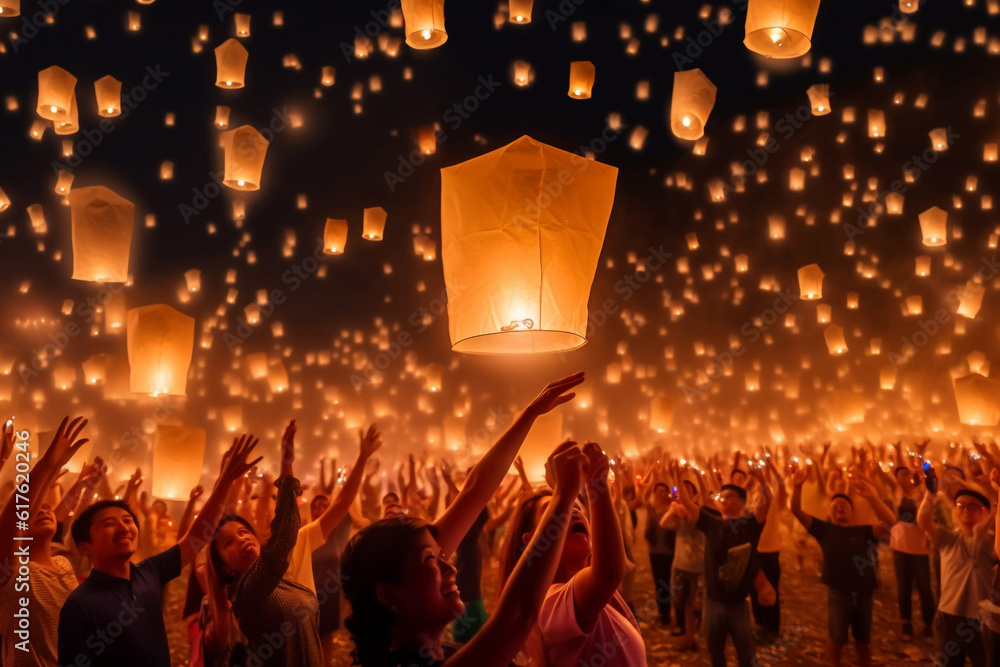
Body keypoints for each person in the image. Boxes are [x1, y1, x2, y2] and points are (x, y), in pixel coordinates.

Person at [340, 371, 585, 667]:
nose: (450, 565)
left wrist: (530, 414)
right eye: (431, 559)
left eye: (440, 555)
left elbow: (474, 491)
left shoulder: (433, 649)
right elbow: (517, 617)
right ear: (389, 593)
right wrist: (563, 496)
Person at [57, 433, 261, 667]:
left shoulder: (149, 573)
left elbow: (197, 537)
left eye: (127, 520)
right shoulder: (80, 604)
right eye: (109, 524)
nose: (124, 527)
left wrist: (226, 480)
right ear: (85, 547)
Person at [207, 420, 382, 666]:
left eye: (244, 533)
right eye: (229, 543)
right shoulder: (249, 588)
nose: (242, 538)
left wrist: (362, 458)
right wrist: (280, 468)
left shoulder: (297, 541)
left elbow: (341, 502)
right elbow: (230, 522)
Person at [500, 441, 646, 667]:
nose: (575, 510)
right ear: (533, 542)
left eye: (576, 506)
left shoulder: (585, 587)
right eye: (555, 510)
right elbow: (608, 573)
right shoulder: (549, 604)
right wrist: (596, 482)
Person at [0, 417, 88, 667]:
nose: (47, 507)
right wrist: (47, 464)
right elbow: (13, 519)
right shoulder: (12, 573)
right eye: (34, 509)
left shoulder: (64, 566)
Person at [790, 469, 896, 667]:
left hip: (865, 593)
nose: (840, 507)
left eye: (845, 504)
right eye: (836, 505)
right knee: (836, 638)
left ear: (851, 511)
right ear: (830, 513)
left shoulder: (865, 531)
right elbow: (796, 510)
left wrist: (872, 497)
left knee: (863, 641)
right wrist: (797, 487)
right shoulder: (824, 530)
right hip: (838, 593)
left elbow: (891, 522)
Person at [675, 462, 772, 667]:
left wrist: (761, 478)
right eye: (723, 496)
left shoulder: (751, 526)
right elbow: (687, 503)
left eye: (730, 497)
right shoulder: (712, 523)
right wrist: (677, 477)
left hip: (739, 604)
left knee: (746, 653)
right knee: (716, 652)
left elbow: (767, 500)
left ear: (742, 502)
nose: (725, 500)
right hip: (713, 601)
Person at [918, 468, 995, 667]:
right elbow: (923, 521)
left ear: (984, 514)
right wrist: (930, 495)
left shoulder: (992, 542)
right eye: (961, 505)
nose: (966, 510)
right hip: (949, 617)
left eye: (974, 507)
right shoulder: (948, 538)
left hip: (981, 620)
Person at [660, 474, 706, 651]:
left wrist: (679, 508)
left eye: (688, 491)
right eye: (681, 491)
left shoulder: (700, 510)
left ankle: (699, 633)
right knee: (685, 603)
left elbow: (691, 516)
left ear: (694, 494)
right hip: (681, 564)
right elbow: (664, 524)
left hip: (698, 566)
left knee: (698, 604)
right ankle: (690, 637)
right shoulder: (677, 513)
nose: (683, 495)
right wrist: (672, 510)